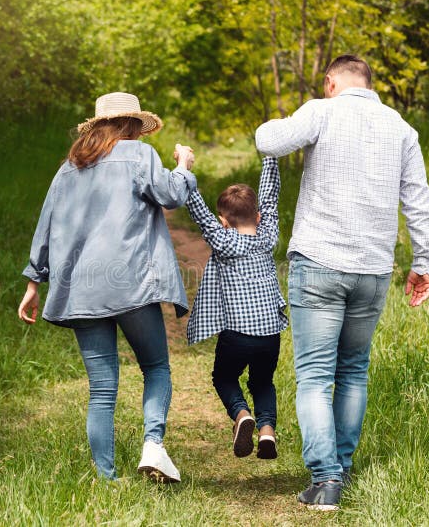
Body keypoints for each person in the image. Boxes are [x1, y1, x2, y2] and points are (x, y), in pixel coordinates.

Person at [255, 54, 429, 510]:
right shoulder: (401, 128)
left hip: (319, 260)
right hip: (373, 269)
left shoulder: (321, 110)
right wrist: (423, 262)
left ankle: (325, 479)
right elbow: (418, 201)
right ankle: (344, 472)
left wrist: (288, 118)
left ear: (331, 81)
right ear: (370, 84)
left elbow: (267, 140)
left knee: (315, 375)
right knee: (353, 369)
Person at [17, 92, 197, 483]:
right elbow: (172, 195)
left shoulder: (69, 167)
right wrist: (183, 165)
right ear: (133, 125)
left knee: (101, 389)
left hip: (80, 289)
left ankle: (107, 481)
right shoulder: (139, 155)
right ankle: (153, 444)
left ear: (97, 126)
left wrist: (34, 281)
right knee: (156, 366)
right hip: (130, 282)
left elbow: (45, 225)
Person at [184, 156, 288, 460]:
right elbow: (269, 198)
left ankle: (242, 415)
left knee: (224, 377)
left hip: (237, 333)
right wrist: (270, 155)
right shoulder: (267, 236)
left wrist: (185, 173)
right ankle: (267, 431)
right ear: (257, 217)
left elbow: (200, 213)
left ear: (223, 220)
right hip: (270, 333)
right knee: (262, 381)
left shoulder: (223, 239)